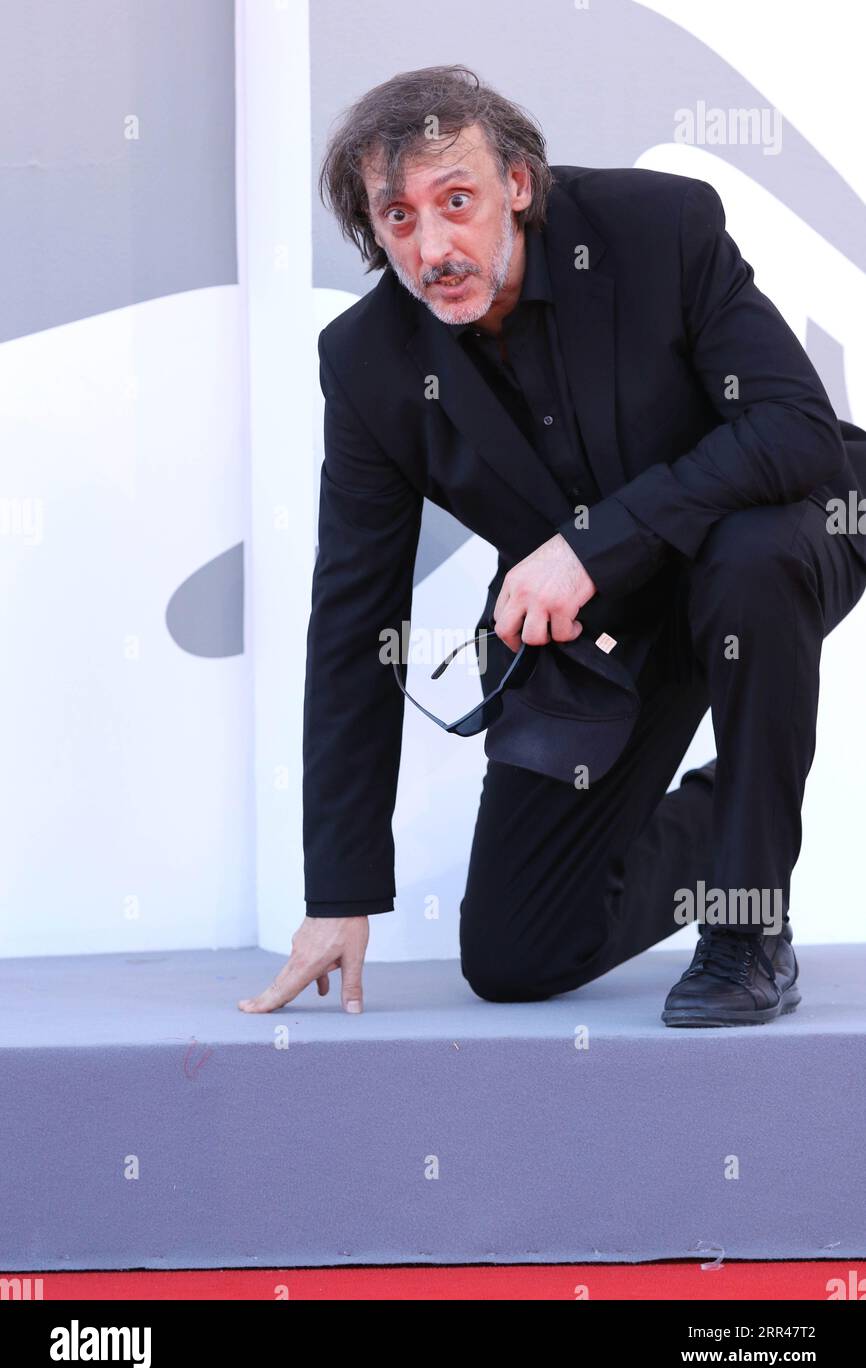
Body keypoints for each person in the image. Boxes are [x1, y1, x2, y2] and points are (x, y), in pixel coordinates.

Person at [239, 64, 866, 1025]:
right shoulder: (368, 366)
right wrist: (340, 893)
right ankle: (743, 809)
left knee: (747, 561)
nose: (434, 247)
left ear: (520, 186)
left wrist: (590, 548)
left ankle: (748, 923)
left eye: (458, 202)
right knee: (515, 952)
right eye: (398, 219)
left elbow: (794, 429)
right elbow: (354, 619)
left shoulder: (659, 227)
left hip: (777, 527)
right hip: (607, 617)